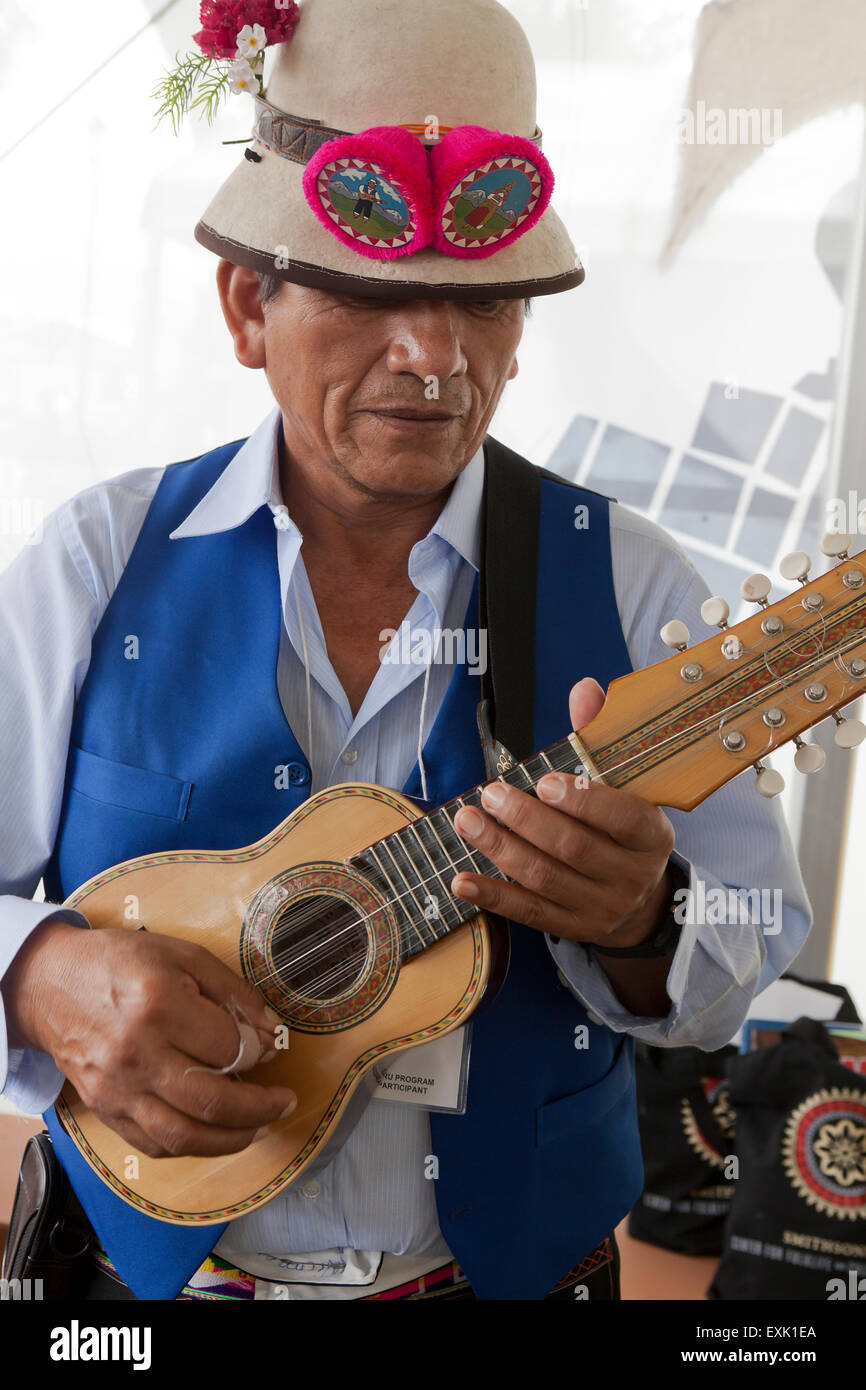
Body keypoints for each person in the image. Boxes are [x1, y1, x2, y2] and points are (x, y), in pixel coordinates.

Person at [0, 0, 810, 1302]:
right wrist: (35, 972)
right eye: (373, 292)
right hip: (147, 1287)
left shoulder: (635, 579)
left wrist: (645, 919)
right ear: (241, 305)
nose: (435, 355)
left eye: (483, 305)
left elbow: (746, 936)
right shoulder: (93, 565)